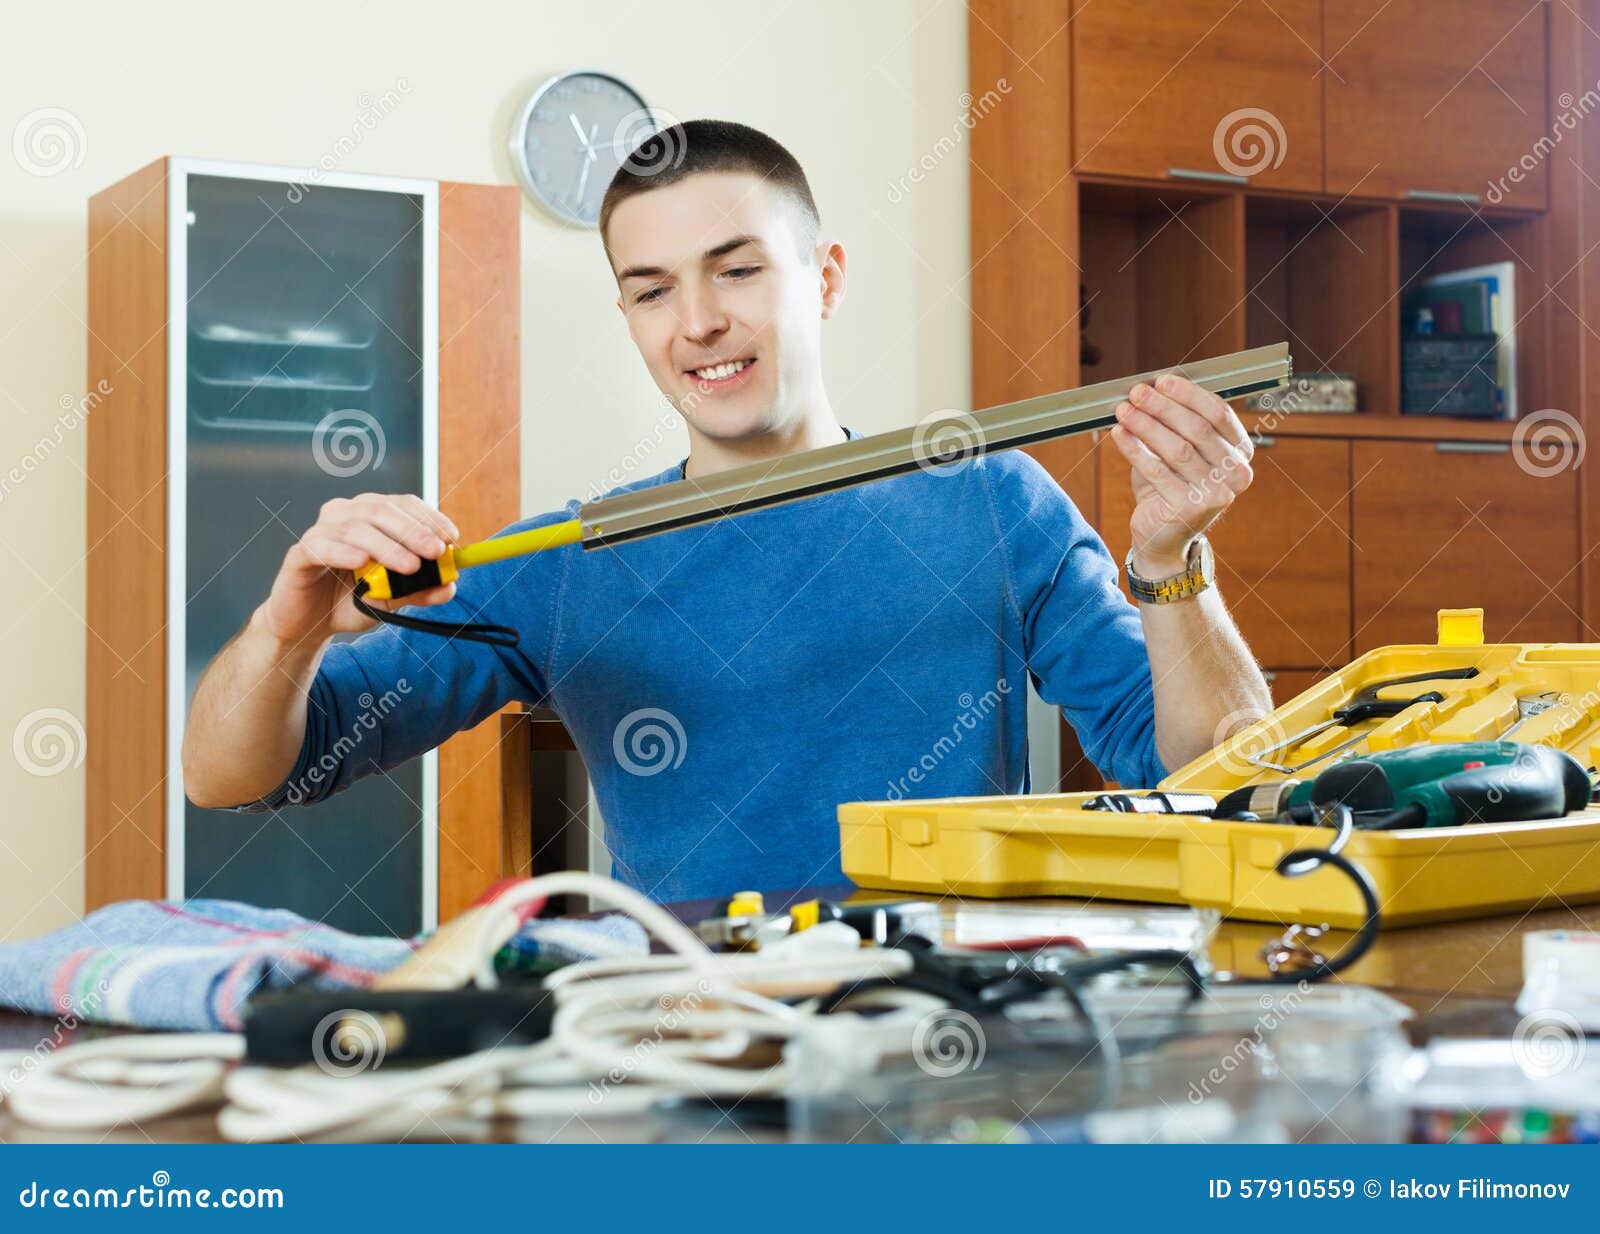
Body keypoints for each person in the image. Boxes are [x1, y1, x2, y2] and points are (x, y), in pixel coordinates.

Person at [182, 119, 1271, 902]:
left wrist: (1173, 558)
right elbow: (232, 777)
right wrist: (285, 635)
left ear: (824, 277)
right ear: (628, 314)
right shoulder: (564, 560)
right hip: (696, 1042)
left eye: (736, 270)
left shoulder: (989, 500)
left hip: (951, 1026)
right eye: (653, 289)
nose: (697, 321)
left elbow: (1202, 768)